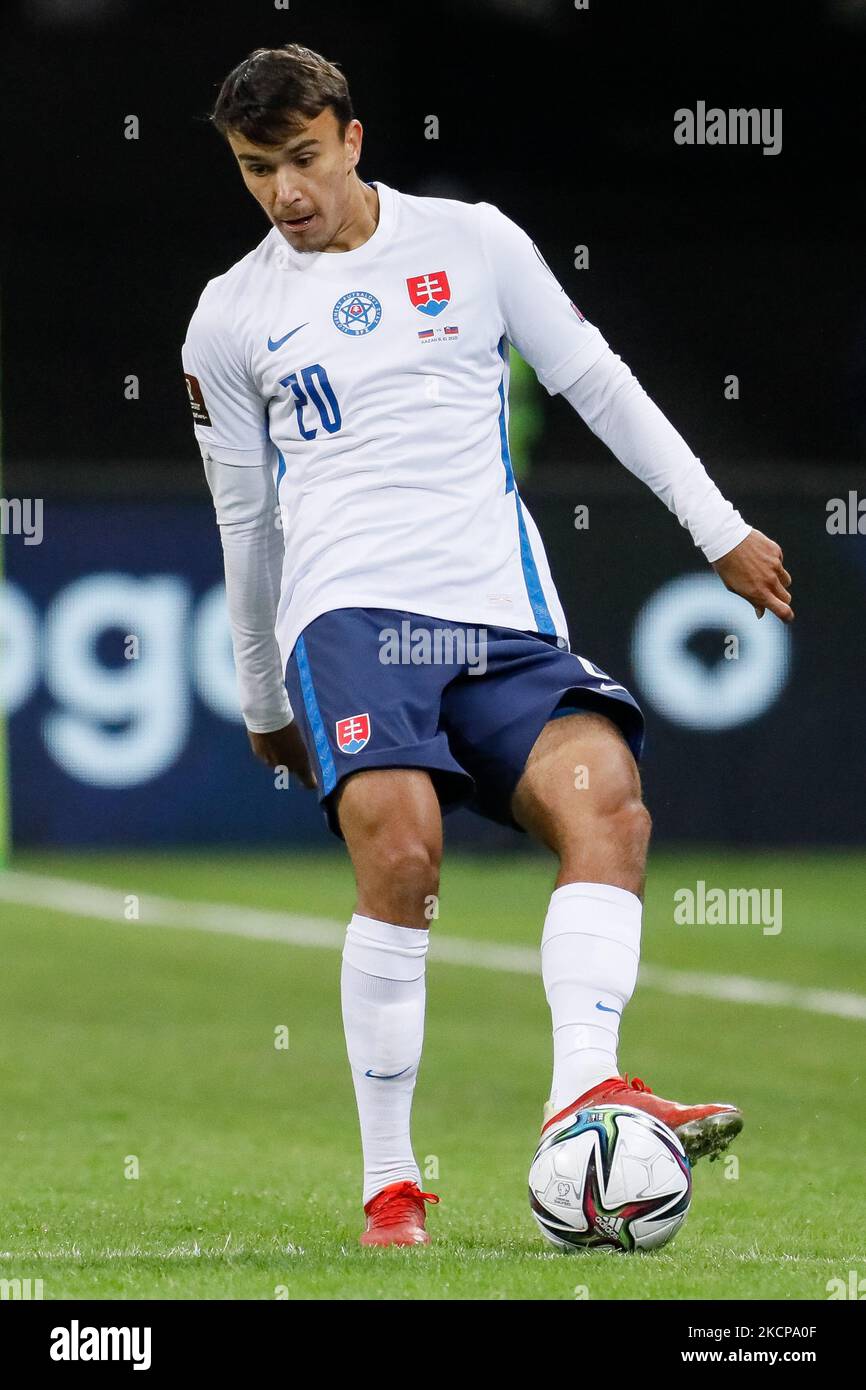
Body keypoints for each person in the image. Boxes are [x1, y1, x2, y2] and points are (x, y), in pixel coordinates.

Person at [182, 43, 794, 1248]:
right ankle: (391, 1183)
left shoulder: (472, 241)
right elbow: (244, 518)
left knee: (606, 803)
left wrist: (716, 527)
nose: (283, 192)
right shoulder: (228, 317)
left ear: (351, 137)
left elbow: (595, 380)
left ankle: (585, 1093)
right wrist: (263, 690)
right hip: (348, 616)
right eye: (256, 170)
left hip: (500, 616)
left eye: (300, 158)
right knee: (403, 853)